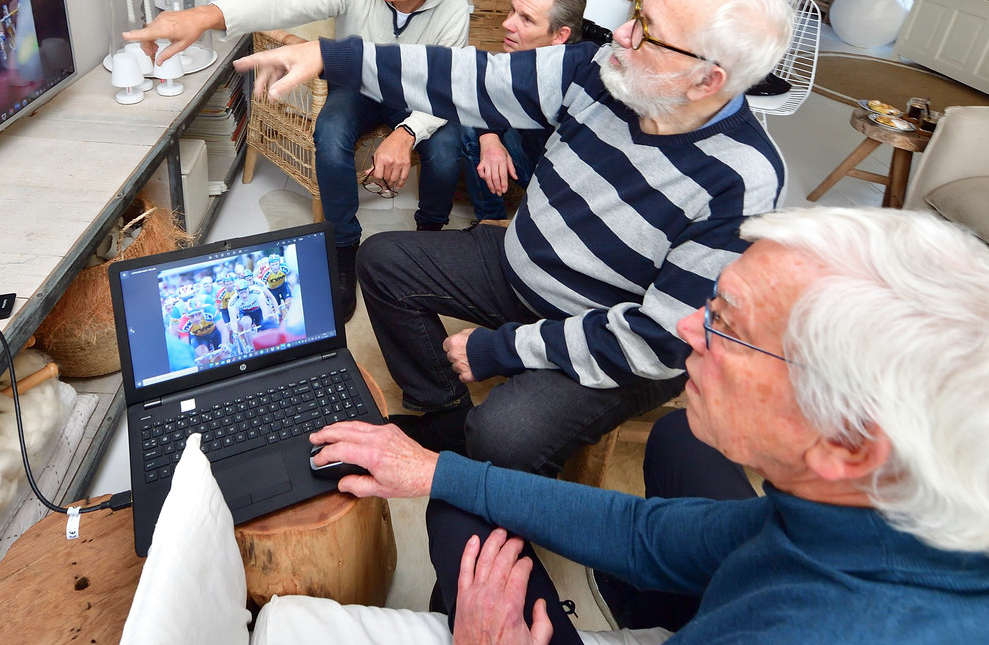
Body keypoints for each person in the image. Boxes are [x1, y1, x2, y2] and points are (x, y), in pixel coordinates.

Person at [306, 206, 989, 644]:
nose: (687, 328)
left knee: (459, 510)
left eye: (728, 326)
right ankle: (648, 603)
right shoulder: (855, 508)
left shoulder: (820, 626)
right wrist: (432, 468)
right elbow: (650, 533)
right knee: (676, 439)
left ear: (847, 440)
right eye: (712, 303)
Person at [234, 0, 791, 474]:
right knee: (382, 261)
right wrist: (331, 57)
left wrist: (501, 349)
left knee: (504, 435)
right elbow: (479, 79)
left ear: (706, 80)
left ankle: (474, 450)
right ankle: (445, 412)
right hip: (520, 264)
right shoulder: (603, 68)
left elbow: (661, 342)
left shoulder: (742, 180)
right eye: (638, 11)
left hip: (607, 329)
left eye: (647, 31)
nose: (622, 33)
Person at [126, 0, 472, 321]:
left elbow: (446, 87)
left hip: (418, 96)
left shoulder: (454, 9)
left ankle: (428, 241)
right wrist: (205, 15)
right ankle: (343, 247)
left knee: (447, 149)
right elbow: (287, 0)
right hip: (358, 87)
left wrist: (406, 133)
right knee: (330, 133)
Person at [461, 0, 586, 223]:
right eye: (513, 11)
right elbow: (488, 97)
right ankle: (490, 224)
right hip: (534, 156)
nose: (507, 24)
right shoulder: (521, 61)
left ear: (559, 36)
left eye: (526, 19)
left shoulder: (580, 82)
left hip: (568, 188)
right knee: (472, 125)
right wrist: (489, 140)